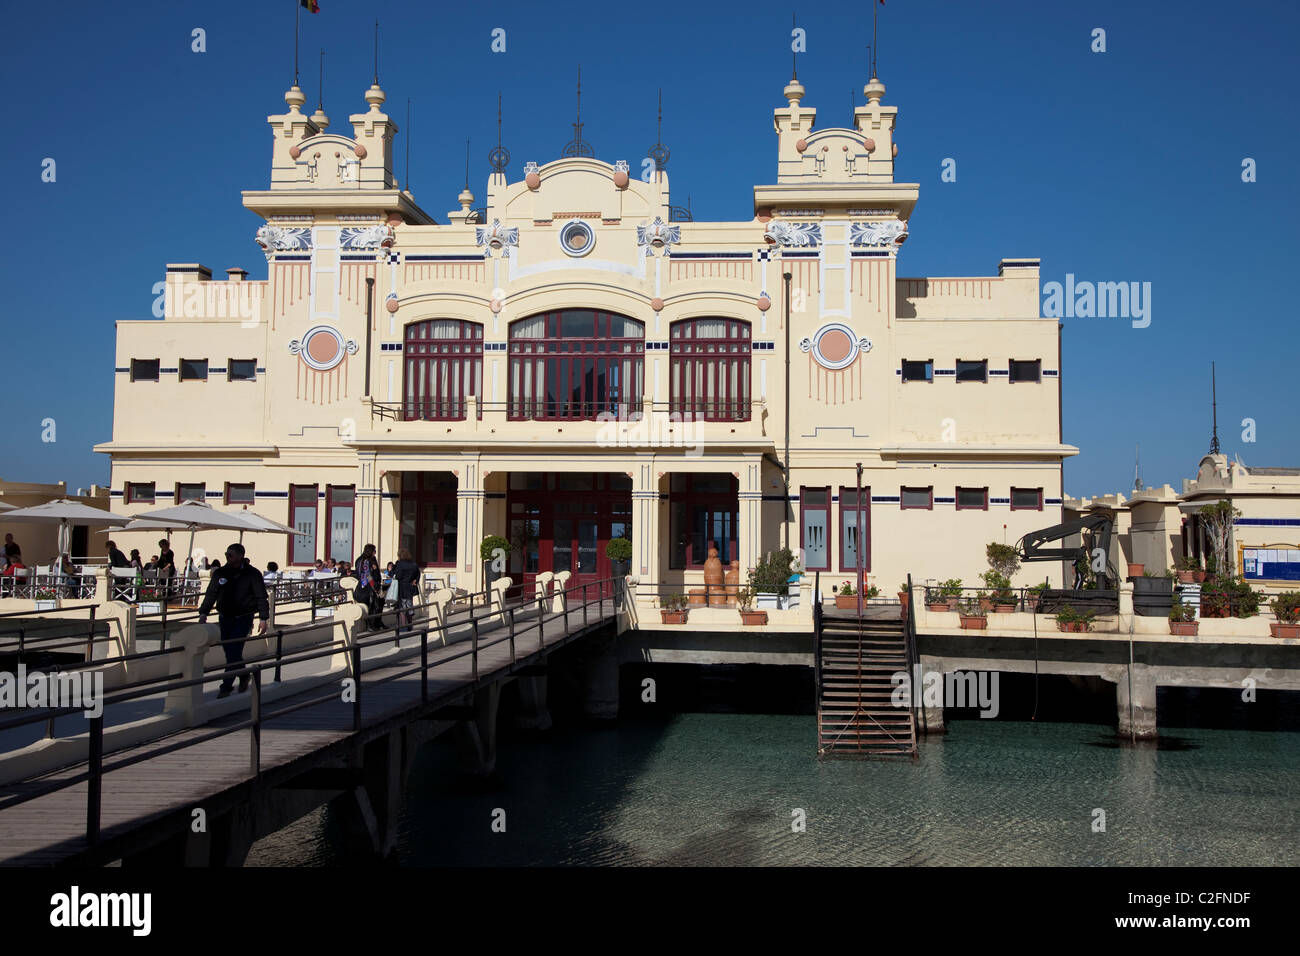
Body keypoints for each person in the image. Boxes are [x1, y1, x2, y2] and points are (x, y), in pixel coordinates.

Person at [198, 542, 270, 698]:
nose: (227, 557)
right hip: (225, 617)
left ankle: (226, 687)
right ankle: (243, 674)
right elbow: (211, 593)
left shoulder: (252, 574)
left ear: (240, 555)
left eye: (230, 555)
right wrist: (203, 612)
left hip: (243, 617)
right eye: (226, 555)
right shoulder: (221, 573)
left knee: (233, 650)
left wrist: (263, 618)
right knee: (229, 650)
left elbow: (261, 596)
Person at [391, 548, 421, 632]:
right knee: (409, 606)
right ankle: (410, 625)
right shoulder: (413, 564)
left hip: (403, 588)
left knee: (402, 607)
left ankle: (404, 626)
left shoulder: (400, 564)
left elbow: (398, 576)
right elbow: (418, 574)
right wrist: (415, 580)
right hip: (411, 588)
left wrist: (393, 571)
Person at [353, 544, 382, 623]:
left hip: (367, 586)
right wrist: (374, 586)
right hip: (367, 587)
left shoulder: (368, 559)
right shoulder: (366, 561)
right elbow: (367, 575)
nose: (375, 553)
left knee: (376, 604)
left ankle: (376, 623)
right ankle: (371, 624)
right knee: (371, 606)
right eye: (374, 551)